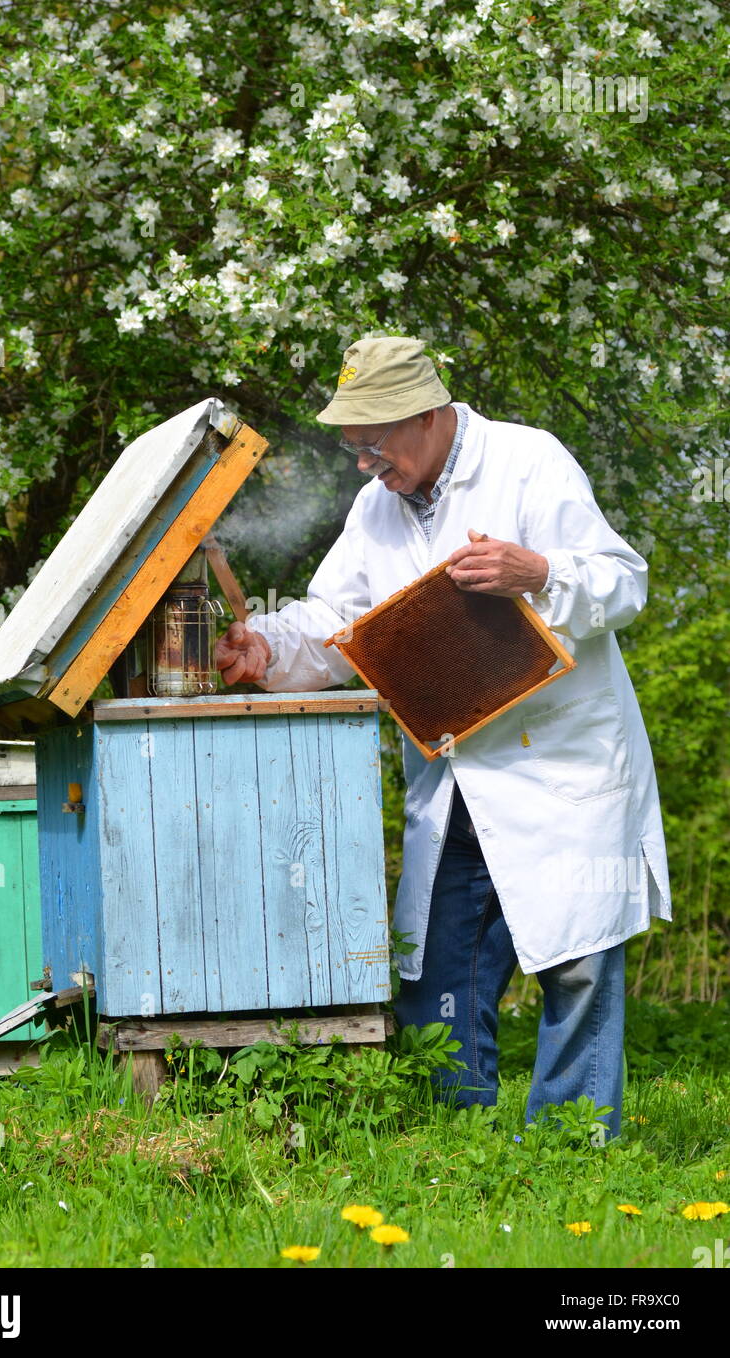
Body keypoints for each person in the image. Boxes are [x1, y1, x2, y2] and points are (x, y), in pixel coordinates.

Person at [215, 335, 672, 1140]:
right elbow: (336, 620)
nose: (362, 464)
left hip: (558, 769)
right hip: (455, 778)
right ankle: (454, 1150)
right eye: (352, 448)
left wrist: (539, 574)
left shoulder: (530, 462)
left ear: (426, 416)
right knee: (439, 974)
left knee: (577, 967)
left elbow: (622, 581)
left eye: (372, 445)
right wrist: (268, 647)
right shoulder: (376, 509)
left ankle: (570, 1152)